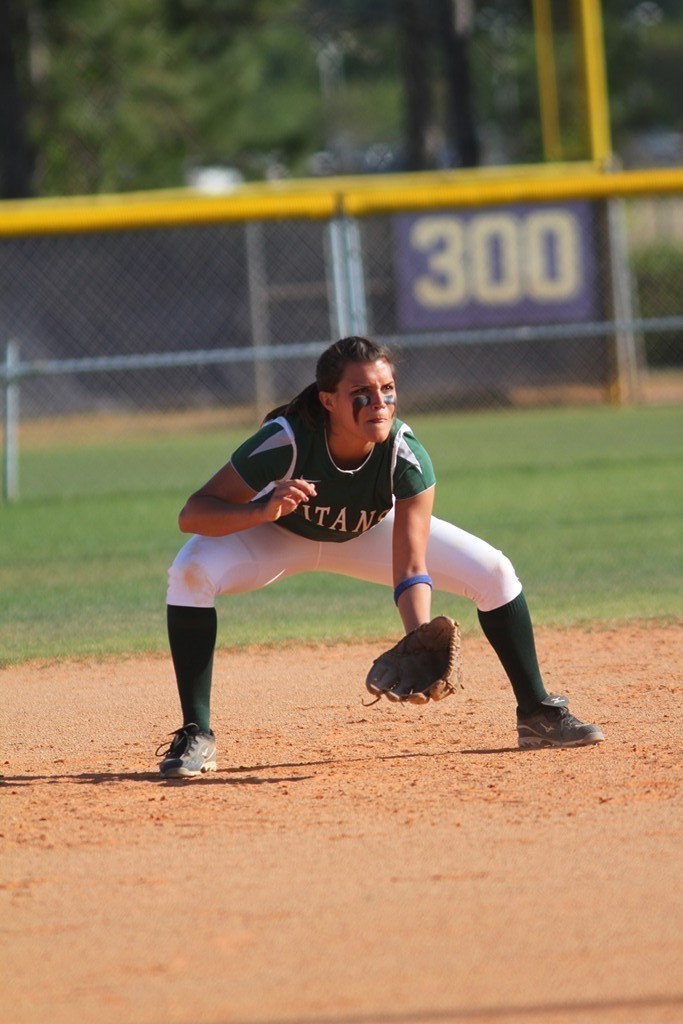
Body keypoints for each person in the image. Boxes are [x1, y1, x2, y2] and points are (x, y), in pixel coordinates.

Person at [158, 336, 604, 777]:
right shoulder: (286, 440)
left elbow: (411, 563)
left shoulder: (404, 454)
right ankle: (196, 733)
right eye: (362, 393)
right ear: (328, 400)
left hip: (364, 533)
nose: (379, 402)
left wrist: (419, 635)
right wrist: (260, 509)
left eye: (387, 389)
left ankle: (536, 713)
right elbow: (193, 514)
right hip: (276, 532)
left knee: (494, 572)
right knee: (190, 572)